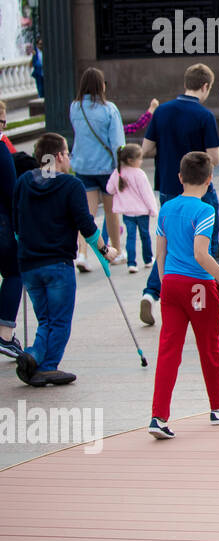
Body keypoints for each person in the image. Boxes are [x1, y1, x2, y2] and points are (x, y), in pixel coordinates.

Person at [148, 151, 219, 439]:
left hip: (171, 283)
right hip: (199, 287)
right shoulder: (205, 211)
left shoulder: (166, 208)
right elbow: (201, 254)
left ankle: (159, 416)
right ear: (209, 180)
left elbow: (160, 252)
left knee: (169, 350)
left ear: (180, 178)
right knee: (208, 348)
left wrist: (165, 280)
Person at [13, 133, 118, 386]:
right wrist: (106, 251)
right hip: (57, 262)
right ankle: (45, 364)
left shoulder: (25, 181)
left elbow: (16, 221)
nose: (69, 159)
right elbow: (86, 224)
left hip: (29, 263)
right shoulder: (70, 186)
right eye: (67, 153)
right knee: (59, 319)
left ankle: (33, 355)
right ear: (58, 156)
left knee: (46, 318)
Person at [140, 64, 219, 327]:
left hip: (168, 187)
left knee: (168, 242)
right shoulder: (204, 115)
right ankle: (205, 298)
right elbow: (215, 157)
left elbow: (146, 148)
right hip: (200, 192)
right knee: (205, 244)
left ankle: (151, 293)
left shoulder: (162, 111)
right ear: (206, 86)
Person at [69, 67, 126, 270]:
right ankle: (115, 252)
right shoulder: (109, 109)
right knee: (112, 212)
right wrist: (121, 169)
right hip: (106, 168)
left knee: (86, 214)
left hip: (83, 167)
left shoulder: (75, 108)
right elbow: (117, 144)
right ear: (101, 85)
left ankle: (82, 254)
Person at [106, 144, 158, 274]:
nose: (141, 162)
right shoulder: (139, 174)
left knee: (131, 237)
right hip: (142, 212)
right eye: (140, 159)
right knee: (145, 236)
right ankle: (147, 259)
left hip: (127, 212)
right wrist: (153, 209)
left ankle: (131, 263)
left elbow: (109, 189)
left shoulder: (117, 173)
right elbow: (147, 194)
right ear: (131, 160)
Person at [0, 125, 21, 359]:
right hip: (3, 223)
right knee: (14, 272)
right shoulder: (1, 150)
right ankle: (4, 334)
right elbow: (10, 192)